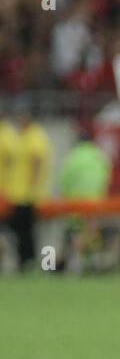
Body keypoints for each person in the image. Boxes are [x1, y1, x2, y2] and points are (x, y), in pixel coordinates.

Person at [0, 108, 52, 270]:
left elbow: (35, 162)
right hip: (18, 193)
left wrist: (32, 186)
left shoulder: (33, 136)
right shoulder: (22, 136)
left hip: (26, 194)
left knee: (25, 232)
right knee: (21, 232)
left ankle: (29, 262)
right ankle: (26, 262)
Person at [59, 136, 111, 273]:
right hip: (94, 201)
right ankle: (95, 262)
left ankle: (78, 265)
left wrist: (66, 198)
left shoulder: (73, 157)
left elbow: (65, 180)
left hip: (76, 202)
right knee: (92, 231)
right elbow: (106, 177)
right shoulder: (99, 156)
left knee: (77, 233)